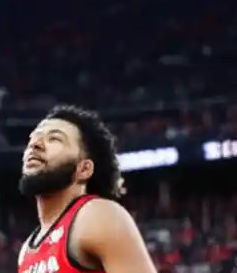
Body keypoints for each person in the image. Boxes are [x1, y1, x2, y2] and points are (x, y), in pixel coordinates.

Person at [17, 105, 156, 273]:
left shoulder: (96, 215)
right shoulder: (27, 249)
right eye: (33, 137)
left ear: (83, 169)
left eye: (54, 139)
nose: (35, 144)